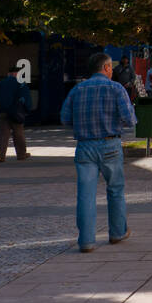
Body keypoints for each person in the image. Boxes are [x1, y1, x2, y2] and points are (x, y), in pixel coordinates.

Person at [59, 53, 135, 252]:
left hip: (85, 146)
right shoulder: (116, 88)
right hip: (110, 145)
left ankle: (86, 241)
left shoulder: (77, 90)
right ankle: (117, 233)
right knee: (115, 189)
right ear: (107, 68)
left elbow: (65, 118)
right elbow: (129, 119)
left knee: (85, 194)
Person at [0, 64, 32, 163]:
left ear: (9, 74)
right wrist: (27, 109)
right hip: (16, 112)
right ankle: (21, 154)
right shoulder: (21, 83)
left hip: (3, 112)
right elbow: (25, 97)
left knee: (3, 134)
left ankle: (0, 156)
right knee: (18, 134)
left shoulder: (1, 83)